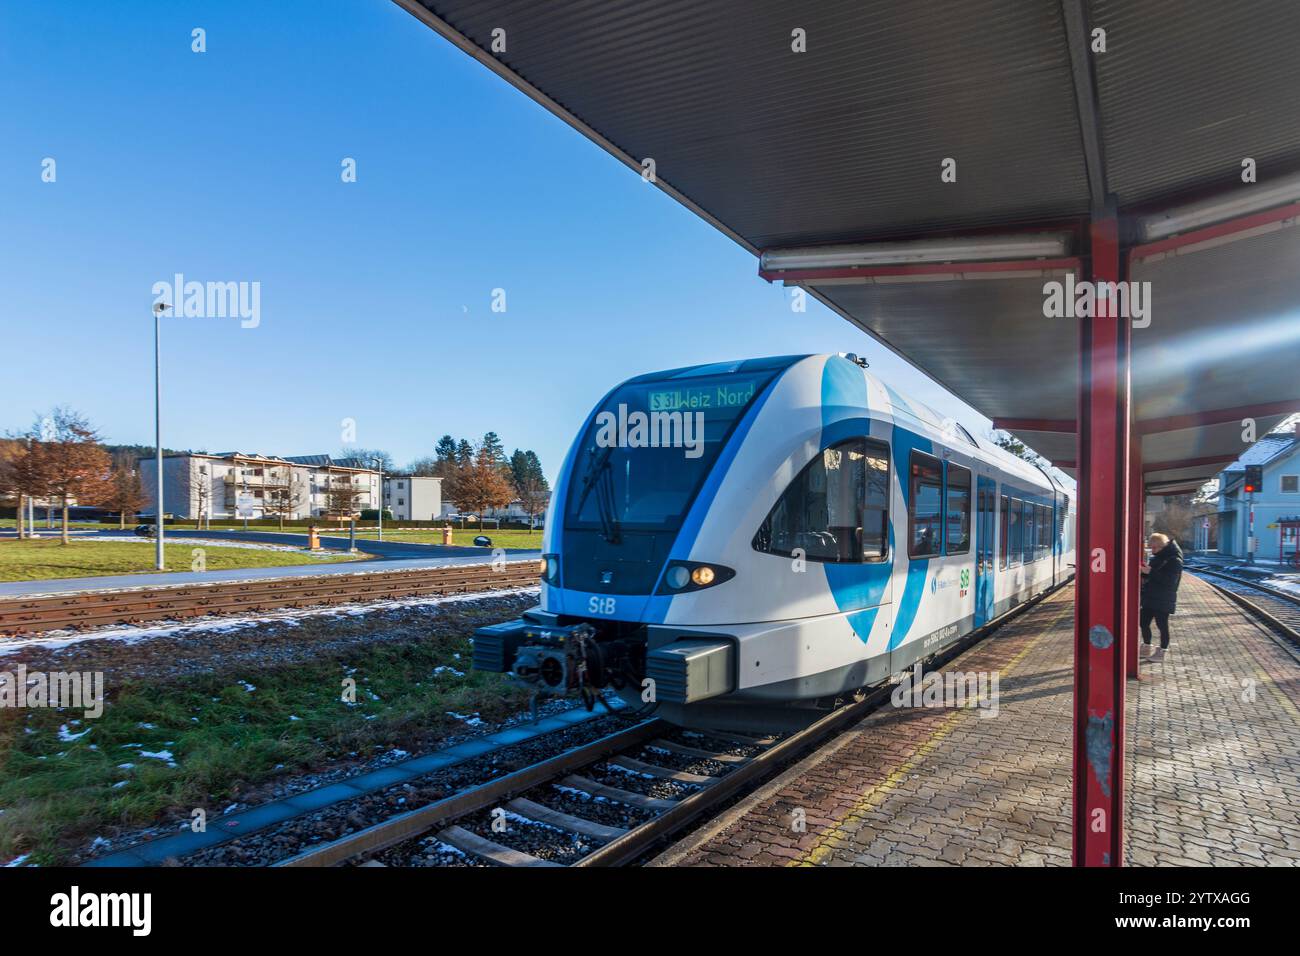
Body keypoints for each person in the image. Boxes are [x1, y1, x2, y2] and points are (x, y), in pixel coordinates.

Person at [1139, 532, 1183, 662]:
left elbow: (1170, 581)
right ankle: (1147, 646)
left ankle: (1162, 651)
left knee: (1162, 625)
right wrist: (1144, 573)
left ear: (1162, 546)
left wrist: (1150, 572)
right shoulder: (1157, 557)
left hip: (1164, 597)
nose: (1152, 551)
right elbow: (1152, 576)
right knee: (1143, 622)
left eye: (1154, 548)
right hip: (1151, 595)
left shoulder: (1174, 560)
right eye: (1151, 547)